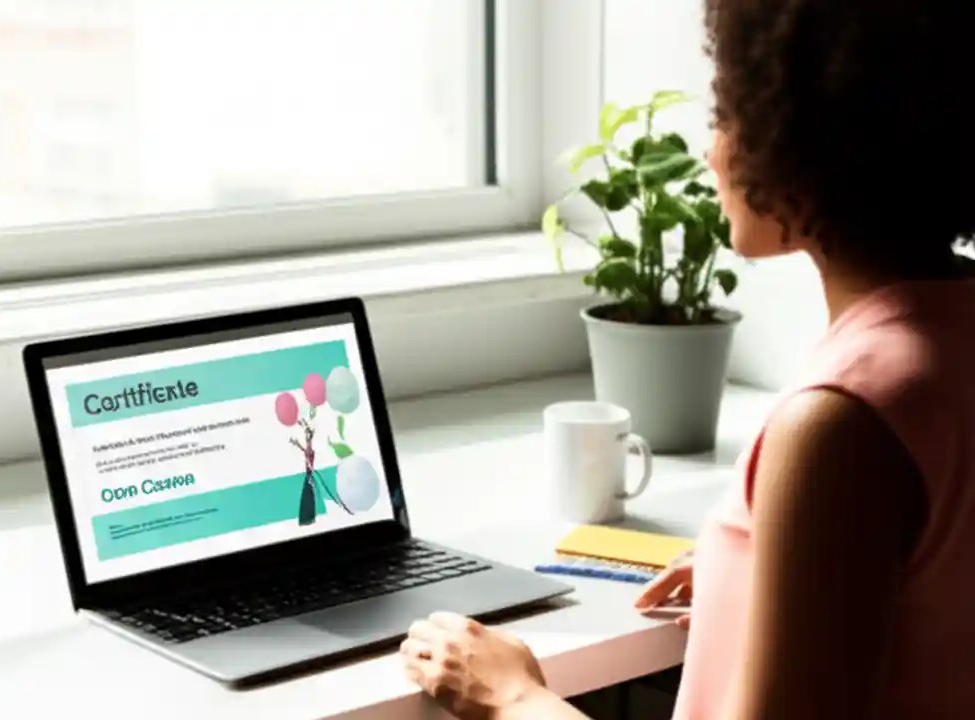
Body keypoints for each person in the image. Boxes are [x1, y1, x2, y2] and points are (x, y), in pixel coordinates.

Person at [401, 1, 975, 717]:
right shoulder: (943, 346)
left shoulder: (842, 424)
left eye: (726, 115)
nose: (711, 150)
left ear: (800, 139)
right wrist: (770, 577)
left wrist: (513, 697)